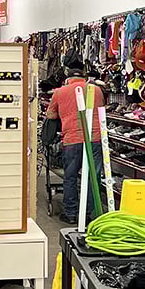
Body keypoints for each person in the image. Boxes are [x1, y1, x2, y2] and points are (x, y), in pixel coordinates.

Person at [46, 57, 104, 224]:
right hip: (94, 138)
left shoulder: (60, 92)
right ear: (84, 78)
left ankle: (71, 214)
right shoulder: (97, 90)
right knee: (93, 176)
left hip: (72, 139)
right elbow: (101, 110)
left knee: (70, 176)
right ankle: (87, 214)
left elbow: (50, 115)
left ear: (68, 79)